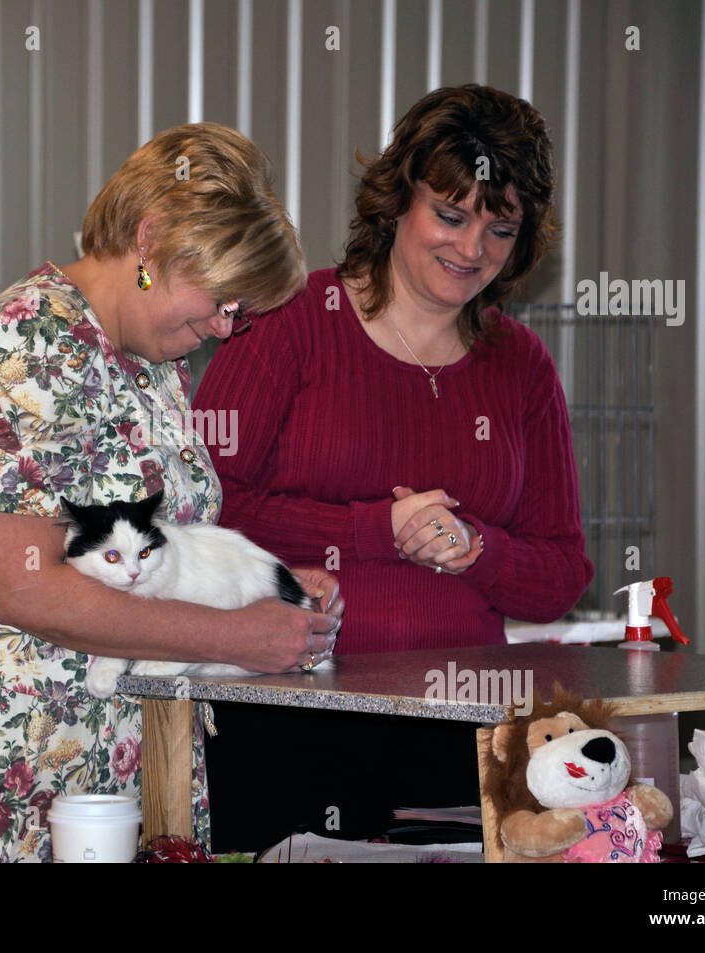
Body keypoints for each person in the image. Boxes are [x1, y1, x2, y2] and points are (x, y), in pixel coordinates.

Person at [0, 122, 343, 863]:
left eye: (237, 311)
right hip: (6, 768)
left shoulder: (150, 363)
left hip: (125, 758)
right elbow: (28, 589)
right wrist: (235, 636)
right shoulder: (23, 348)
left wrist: (260, 590)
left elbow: (157, 555)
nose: (224, 326)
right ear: (149, 242)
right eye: (218, 299)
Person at [191, 85, 594, 849]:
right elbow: (204, 509)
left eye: (500, 228)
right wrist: (376, 528)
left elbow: (563, 570)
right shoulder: (290, 323)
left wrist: (480, 548)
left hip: (464, 733)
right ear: (397, 200)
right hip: (287, 715)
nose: (471, 249)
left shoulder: (522, 366)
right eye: (450, 214)